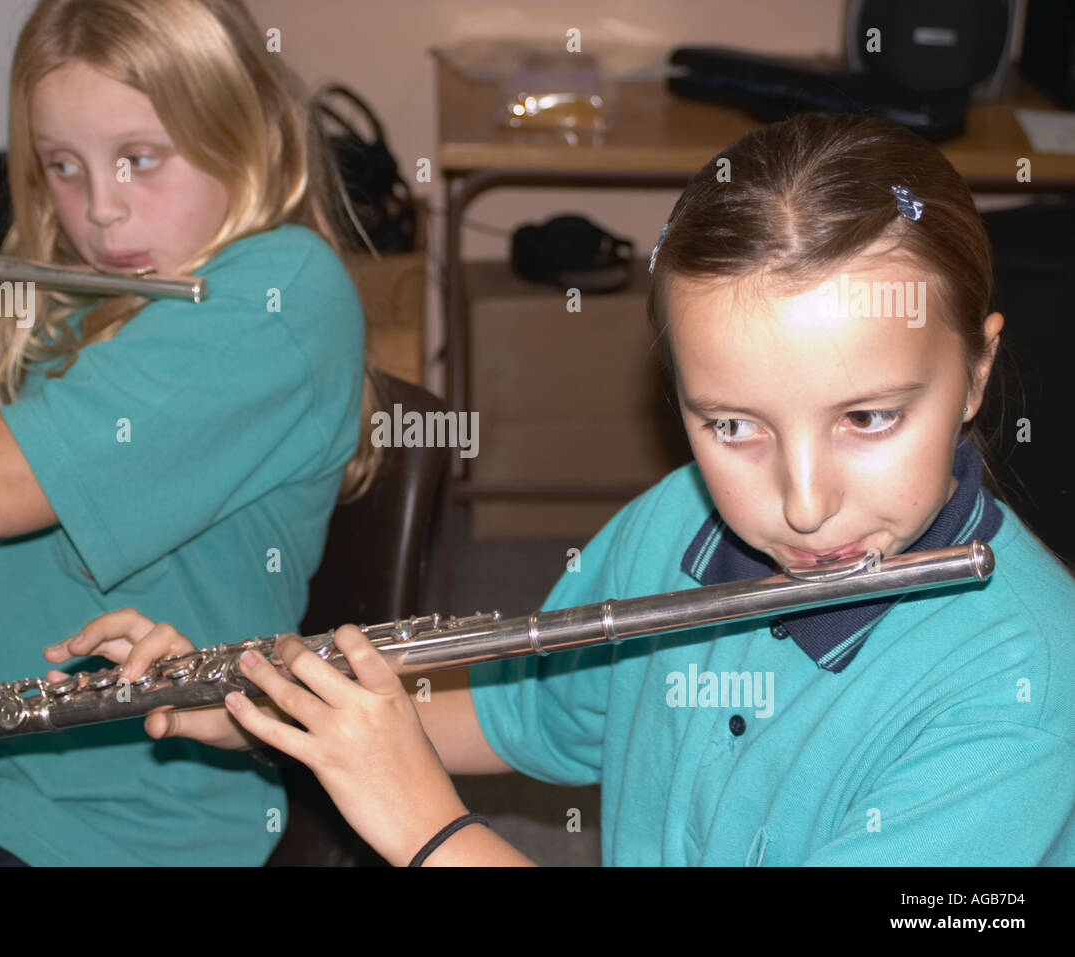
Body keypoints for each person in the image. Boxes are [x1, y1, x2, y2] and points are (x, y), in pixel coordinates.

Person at [62, 112, 1075, 866]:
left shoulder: (1026, 691)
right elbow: (530, 723)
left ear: (978, 370)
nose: (801, 505)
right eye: (731, 425)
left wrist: (431, 831)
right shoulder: (674, 523)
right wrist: (280, 712)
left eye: (866, 419)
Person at [0, 0, 371, 866]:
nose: (100, 212)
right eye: (63, 165)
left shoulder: (280, 293)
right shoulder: (74, 292)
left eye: (140, 159)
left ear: (242, 129)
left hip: (115, 816)